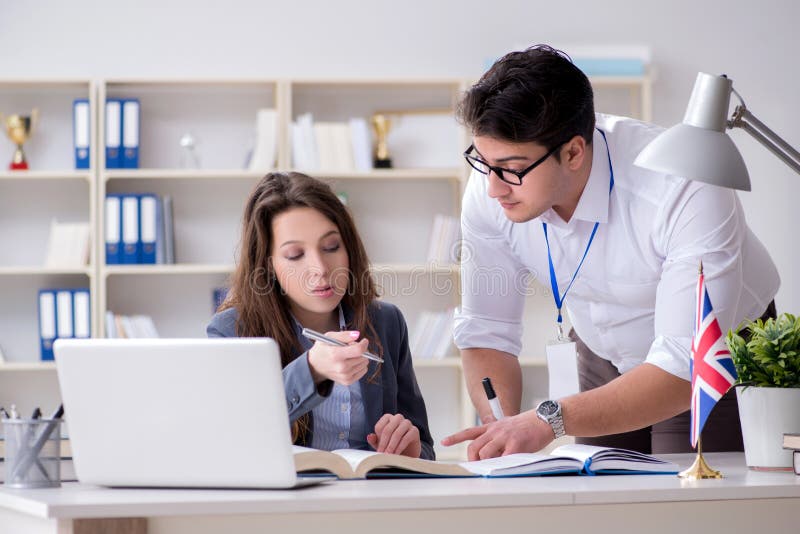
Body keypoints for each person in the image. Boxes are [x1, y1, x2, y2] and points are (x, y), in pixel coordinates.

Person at [442, 45, 780, 460]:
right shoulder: (493, 187)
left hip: (713, 352)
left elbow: (680, 364)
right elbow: (486, 331)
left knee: (683, 505)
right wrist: (504, 431)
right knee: (599, 495)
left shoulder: (684, 183)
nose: (493, 187)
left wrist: (549, 418)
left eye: (511, 168)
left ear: (573, 153)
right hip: (600, 346)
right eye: (483, 162)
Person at [208, 171, 434, 460]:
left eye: (331, 247)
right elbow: (231, 436)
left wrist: (412, 451)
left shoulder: (386, 322)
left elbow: (424, 446)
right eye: (294, 255)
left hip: (369, 498)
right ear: (269, 265)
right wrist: (311, 370)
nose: (320, 268)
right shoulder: (232, 330)